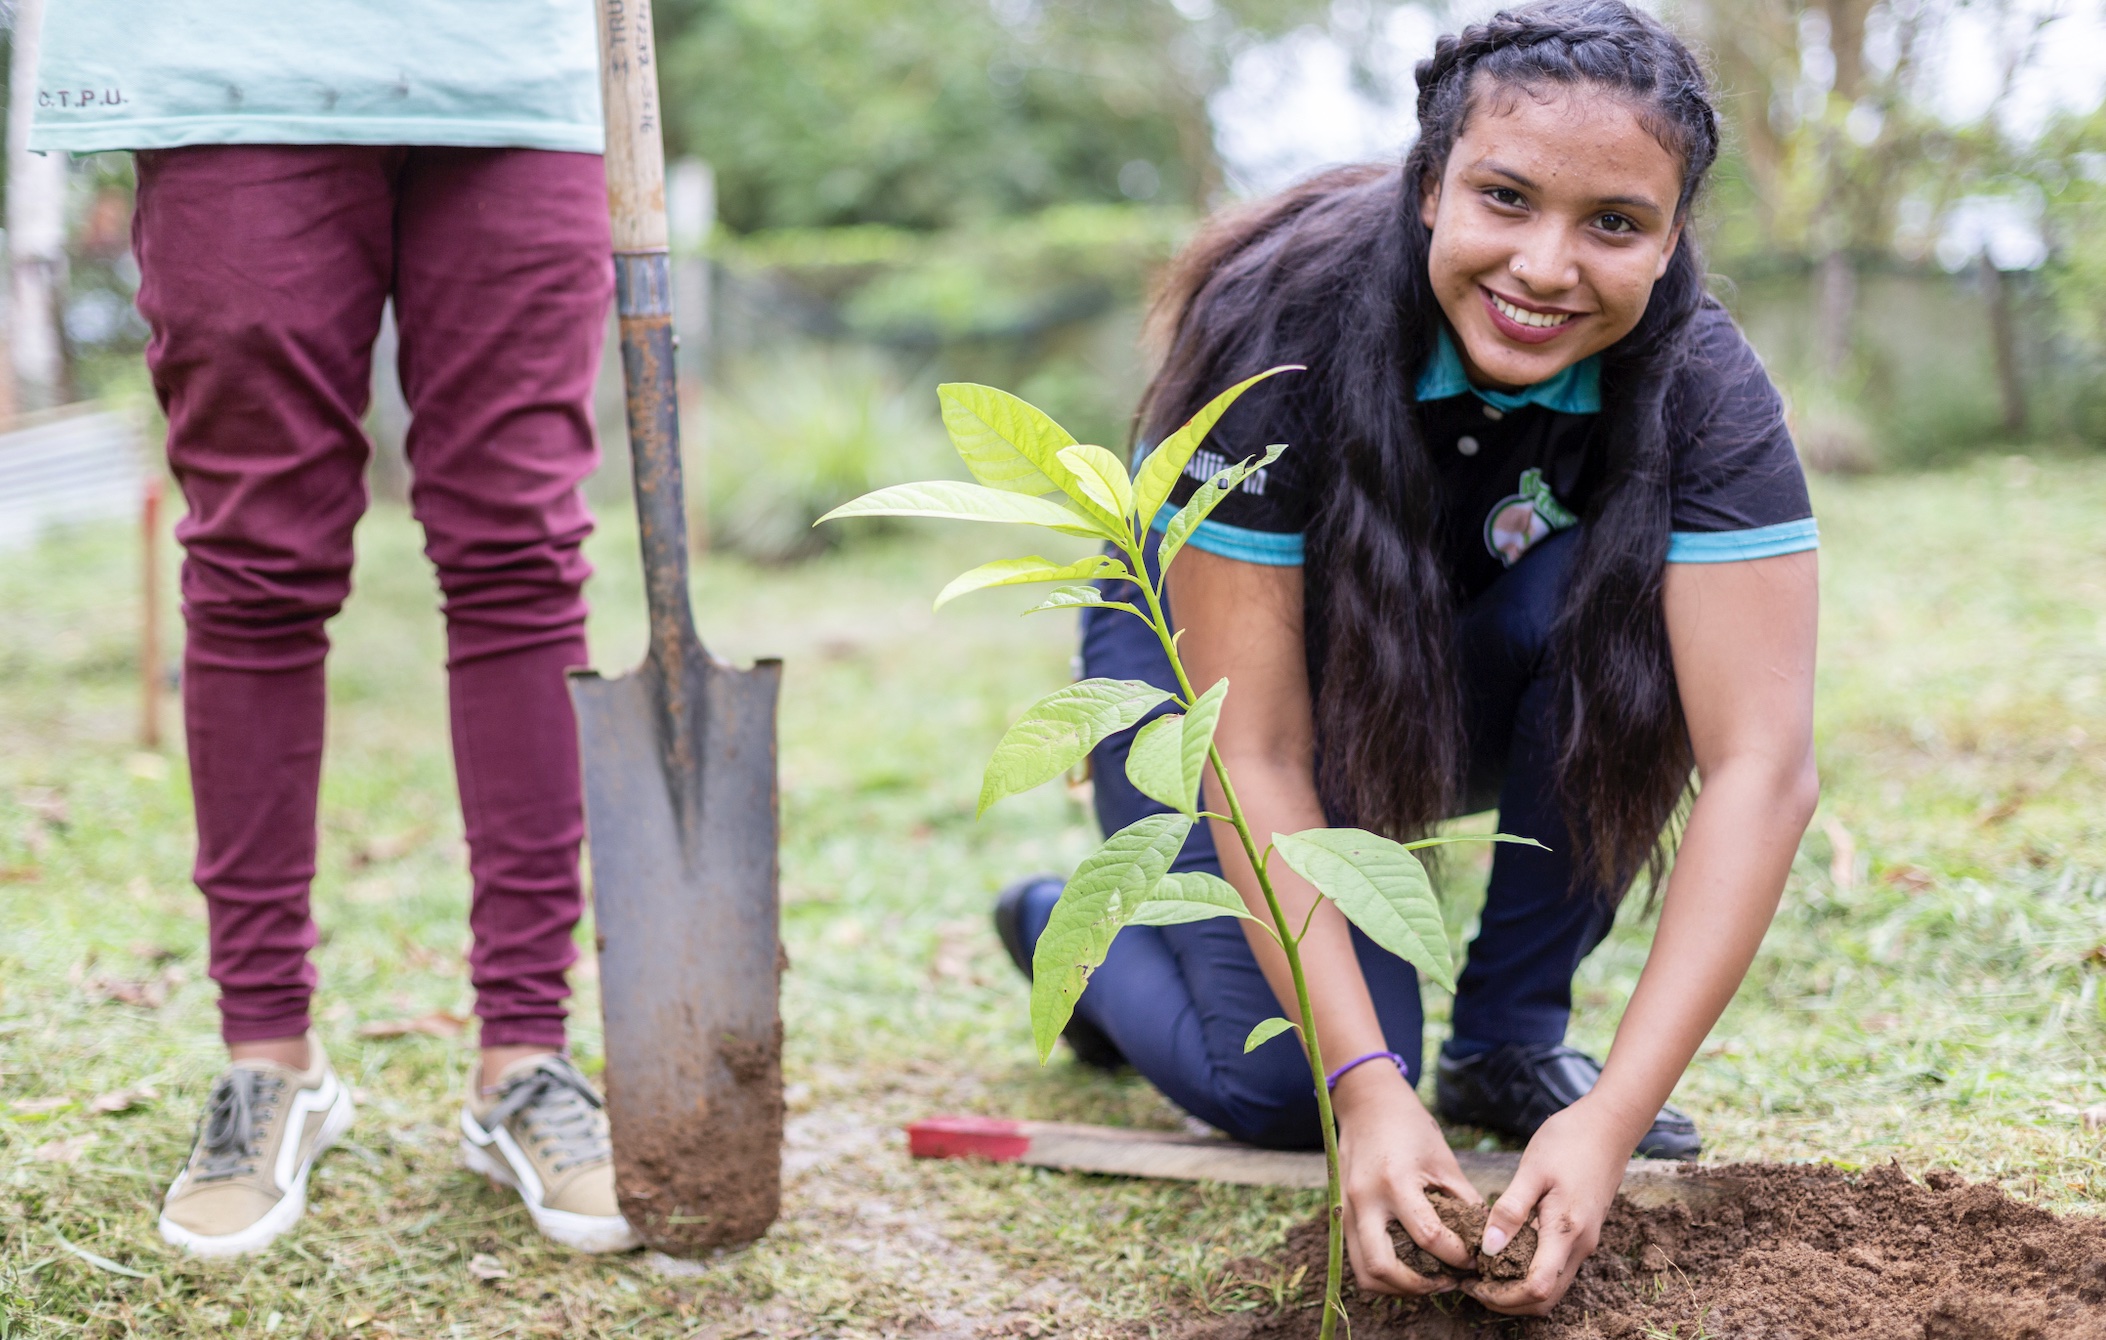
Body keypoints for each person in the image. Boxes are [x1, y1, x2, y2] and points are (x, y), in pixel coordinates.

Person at [993, 0, 1818, 1316]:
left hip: (1447, 663)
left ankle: (1507, 1042)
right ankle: (1065, 930)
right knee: (1286, 1093)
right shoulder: (1284, 326)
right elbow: (1252, 745)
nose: (1546, 266)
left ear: (1669, 241)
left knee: (1656, 636)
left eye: (1613, 222)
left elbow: (1761, 763)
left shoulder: (1704, 389)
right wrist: (1363, 1090)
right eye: (1505, 197)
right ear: (1429, 187)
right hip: (1219, 680)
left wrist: (1608, 1118)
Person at [29, 0, 637, 1256]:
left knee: (523, 552)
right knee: (255, 556)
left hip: (512, 69)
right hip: (233, 58)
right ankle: (269, 1056)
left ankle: (525, 1054)